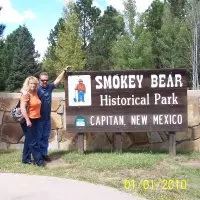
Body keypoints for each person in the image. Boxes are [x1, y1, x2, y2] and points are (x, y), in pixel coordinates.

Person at [37, 66, 70, 162]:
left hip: (47, 118)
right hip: (38, 118)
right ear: (39, 80)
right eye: (43, 80)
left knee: (45, 136)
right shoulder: (36, 89)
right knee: (38, 137)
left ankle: (44, 154)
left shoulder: (49, 87)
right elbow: (26, 90)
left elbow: (57, 80)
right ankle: (37, 155)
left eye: (46, 80)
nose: (44, 82)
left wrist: (63, 71)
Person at [20, 76, 45, 166]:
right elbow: (22, 108)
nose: (33, 85)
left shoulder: (35, 93)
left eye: (35, 83)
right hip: (28, 120)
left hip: (35, 119)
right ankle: (39, 161)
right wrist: (27, 120)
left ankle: (25, 159)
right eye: (31, 83)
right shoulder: (26, 94)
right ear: (28, 84)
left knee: (29, 140)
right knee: (33, 141)